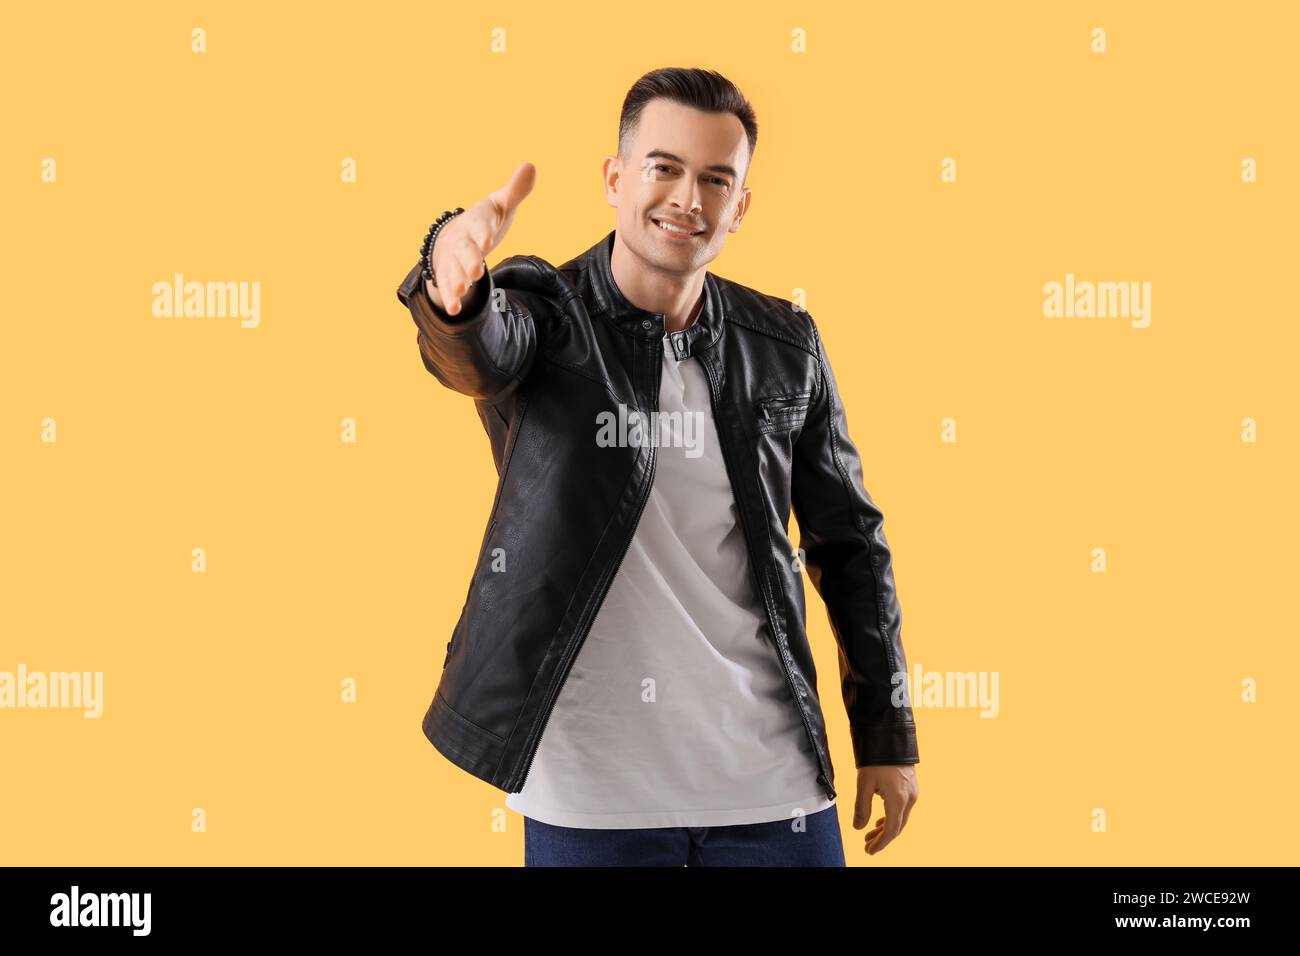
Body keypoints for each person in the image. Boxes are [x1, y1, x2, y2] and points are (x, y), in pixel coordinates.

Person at [397, 67, 919, 866]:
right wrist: (451, 279)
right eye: (663, 167)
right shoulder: (543, 316)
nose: (687, 198)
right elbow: (475, 352)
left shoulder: (785, 347)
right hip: (592, 795)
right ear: (614, 179)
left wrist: (887, 735)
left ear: (739, 207)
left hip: (772, 785)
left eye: (716, 179)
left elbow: (851, 545)